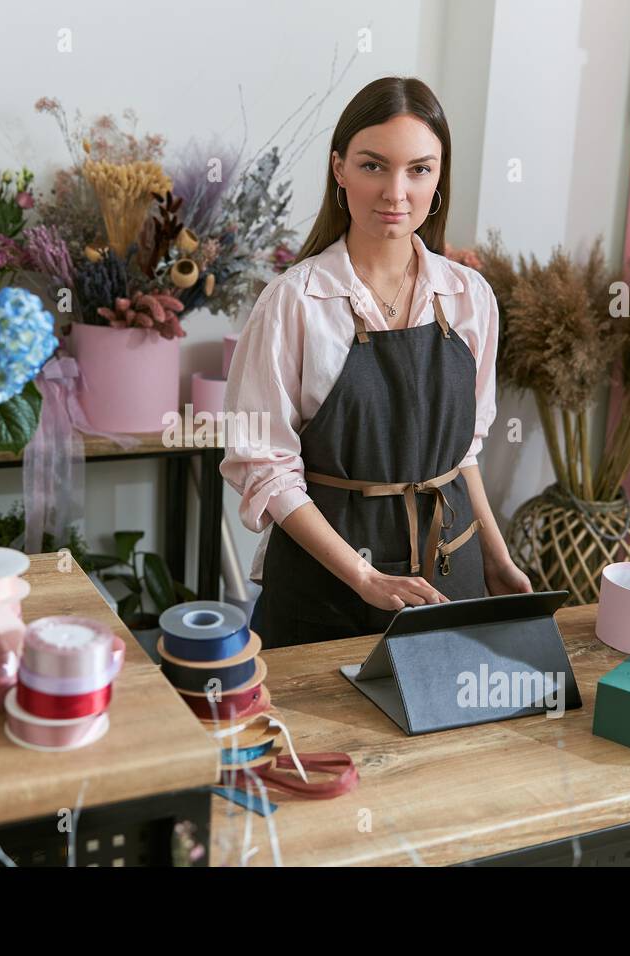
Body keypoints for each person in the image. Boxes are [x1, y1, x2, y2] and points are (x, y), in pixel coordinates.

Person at [221, 75, 532, 650]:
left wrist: (496, 558)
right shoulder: (294, 302)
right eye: (373, 166)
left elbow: (463, 453)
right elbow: (265, 467)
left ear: (440, 178)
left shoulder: (470, 297)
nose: (396, 192)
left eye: (419, 169)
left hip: (449, 577)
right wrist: (363, 576)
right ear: (338, 168)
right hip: (326, 593)